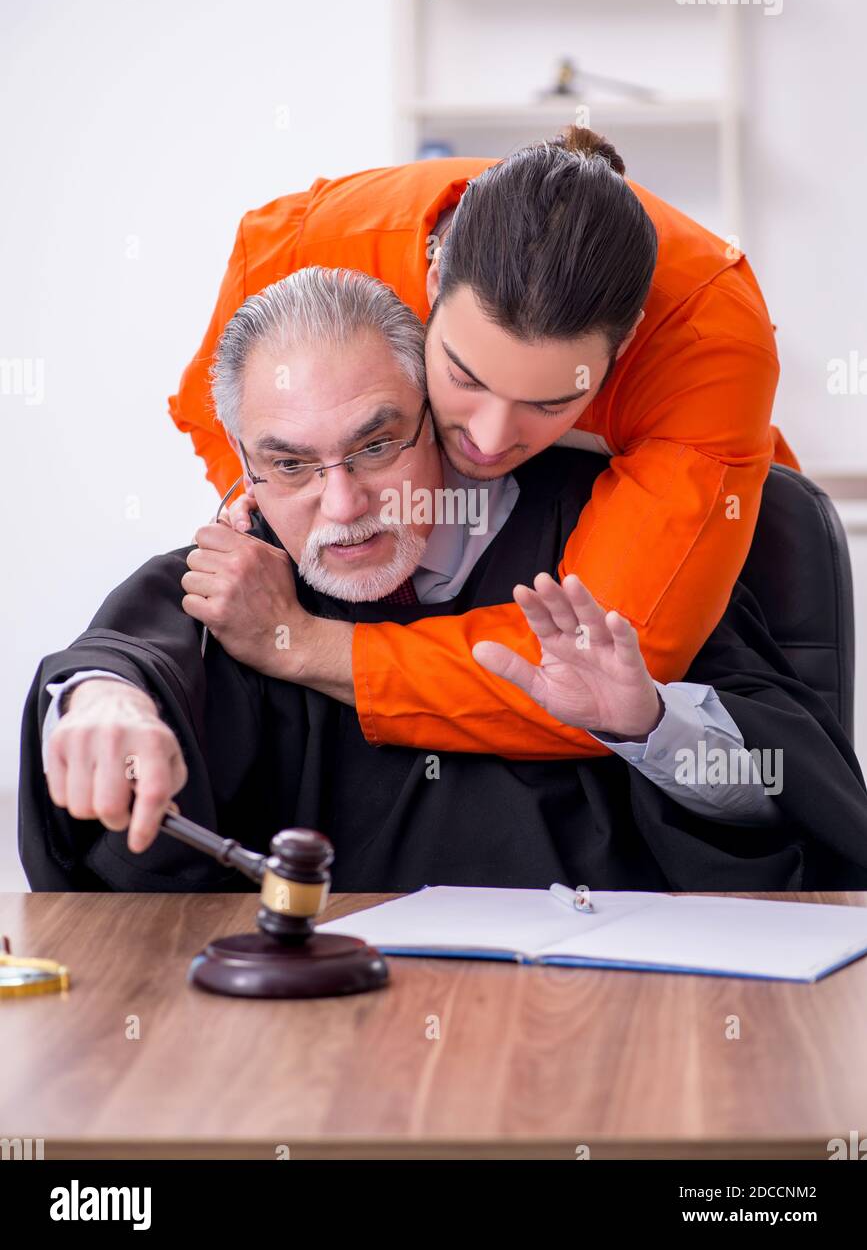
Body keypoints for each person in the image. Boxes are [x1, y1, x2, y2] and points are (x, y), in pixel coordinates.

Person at [19, 270, 867, 894]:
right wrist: (102, 703)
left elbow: (786, 791)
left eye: (377, 445)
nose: (341, 506)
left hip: (605, 1030)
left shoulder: (612, 546)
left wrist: (651, 725)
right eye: (290, 463)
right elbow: (125, 658)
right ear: (245, 468)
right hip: (322, 1050)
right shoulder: (246, 575)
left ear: (438, 417)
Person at [168, 127, 798, 762]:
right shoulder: (309, 250)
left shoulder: (709, 344)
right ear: (433, 278)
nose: (489, 441)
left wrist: (301, 645)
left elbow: (592, 667)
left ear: (628, 343)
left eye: (549, 401)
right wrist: (260, 496)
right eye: (464, 378)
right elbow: (216, 409)